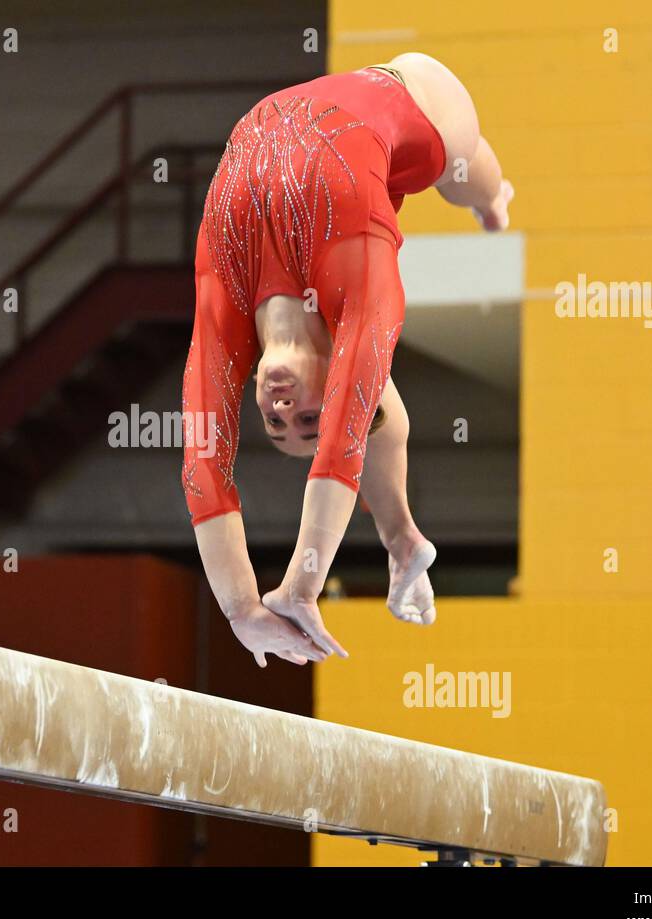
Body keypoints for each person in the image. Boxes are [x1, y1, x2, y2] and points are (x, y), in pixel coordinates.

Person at [182, 53, 513, 667]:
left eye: (274, 426)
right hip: (416, 99)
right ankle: (495, 205)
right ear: (331, 395)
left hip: (347, 134)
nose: (282, 413)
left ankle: (402, 537)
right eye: (307, 420)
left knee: (371, 397)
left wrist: (242, 612)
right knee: (471, 174)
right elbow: (348, 438)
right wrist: (303, 586)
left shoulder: (224, 302)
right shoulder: (359, 278)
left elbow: (203, 468)